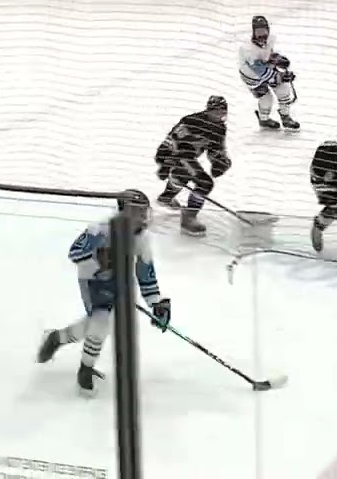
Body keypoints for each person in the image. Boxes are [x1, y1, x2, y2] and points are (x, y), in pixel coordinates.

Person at [35, 190, 172, 398]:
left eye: (144, 211)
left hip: (118, 281)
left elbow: (145, 272)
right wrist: (98, 257)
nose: (143, 216)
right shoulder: (100, 230)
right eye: (137, 211)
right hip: (93, 281)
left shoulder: (142, 238)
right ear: (124, 211)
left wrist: (156, 303)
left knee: (96, 324)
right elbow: (75, 253)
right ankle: (85, 370)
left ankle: (57, 338)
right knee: (101, 321)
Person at [155, 96, 231, 237]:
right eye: (217, 111)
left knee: (182, 175)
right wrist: (164, 161)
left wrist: (219, 162)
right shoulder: (191, 121)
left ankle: (166, 197)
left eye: (223, 111)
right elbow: (171, 140)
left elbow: (215, 149)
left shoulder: (220, 128)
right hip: (179, 155)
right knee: (205, 184)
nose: (220, 114)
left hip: (189, 157)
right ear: (208, 110)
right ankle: (189, 217)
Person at [238, 15, 299, 130]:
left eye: (264, 31)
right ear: (253, 32)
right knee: (266, 98)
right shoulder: (247, 49)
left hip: (264, 68)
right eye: (258, 32)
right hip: (252, 77)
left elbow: (267, 54)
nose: (262, 35)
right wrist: (279, 76)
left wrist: (276, 59)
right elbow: (259, 70)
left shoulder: (270, 39)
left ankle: (286, 117)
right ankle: (264, 119)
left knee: (283, 89)